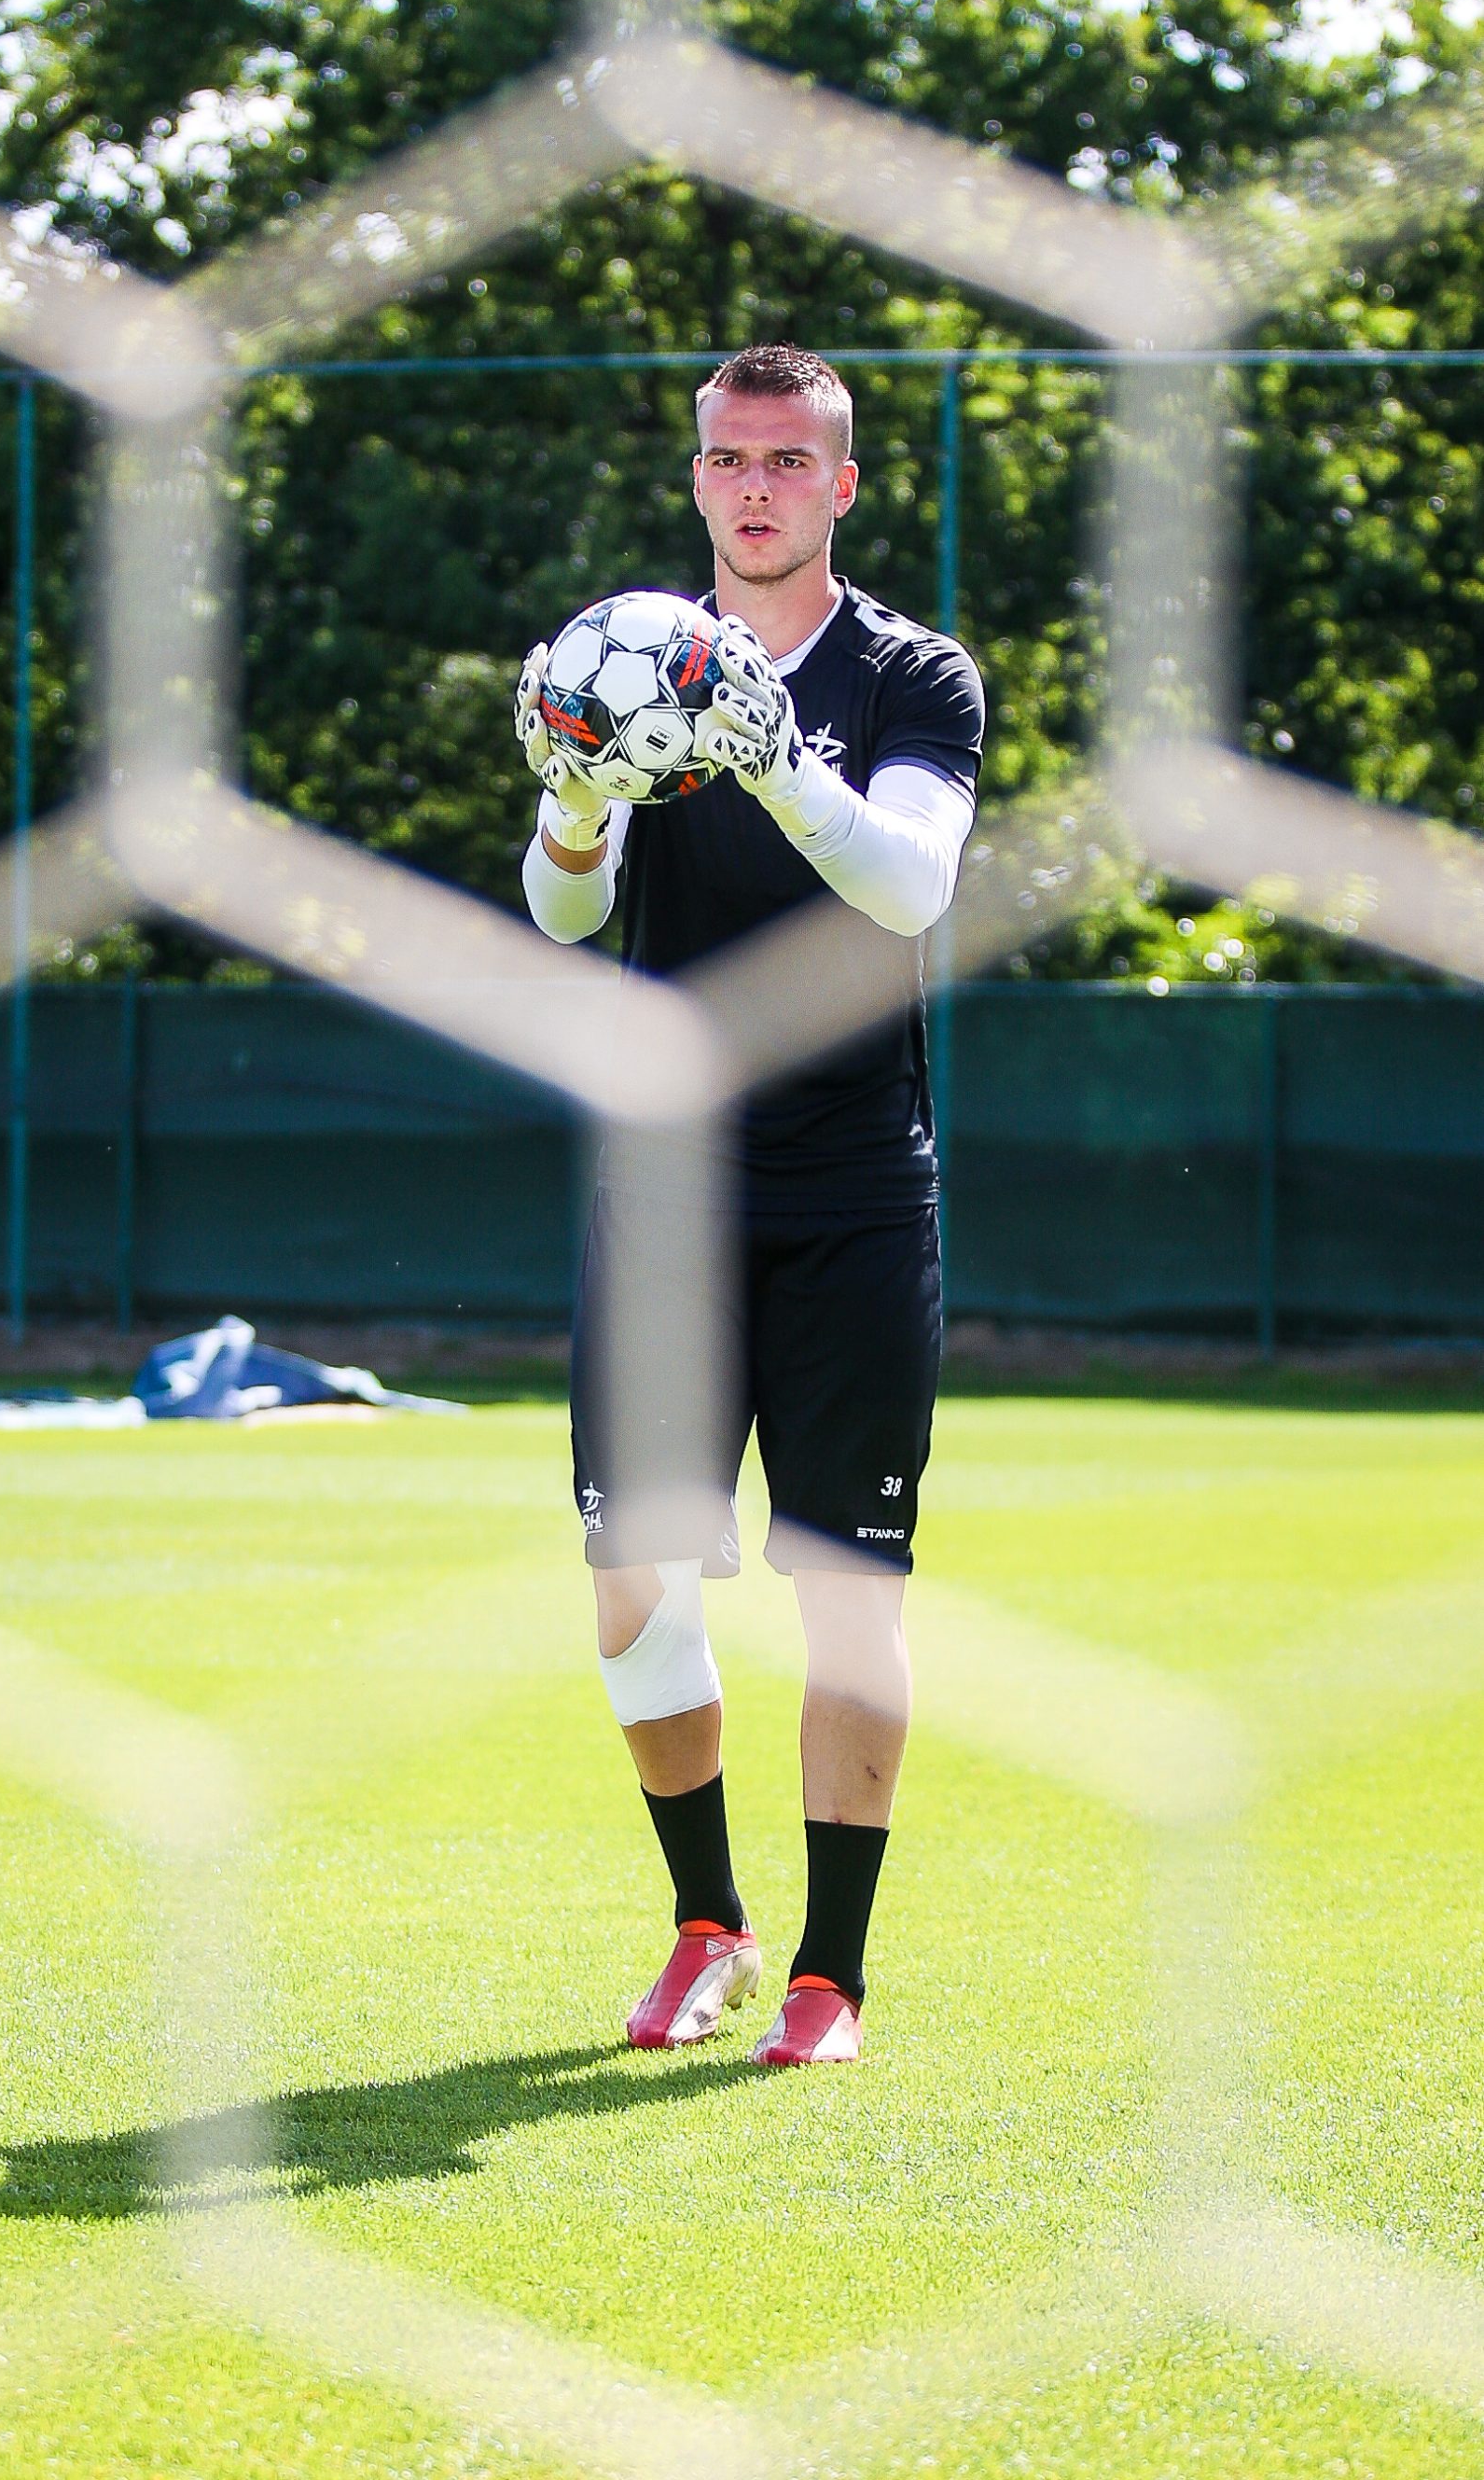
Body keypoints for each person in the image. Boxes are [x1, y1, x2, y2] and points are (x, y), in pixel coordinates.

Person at [516, 343, 985, 2068]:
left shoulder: (915, 676)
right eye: (732, 461)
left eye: (793, 461)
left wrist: (770, 752)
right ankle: (708, 1924)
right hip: (664, 1186)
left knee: (847, 1587)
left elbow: (910, 886)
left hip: (856, 1184)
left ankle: (831, 1974)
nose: (760, 487)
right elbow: (569, 916)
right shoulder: (627, 659)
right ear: (698, 479)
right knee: (633, 1571)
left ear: (843, 486)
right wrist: (579, 800)